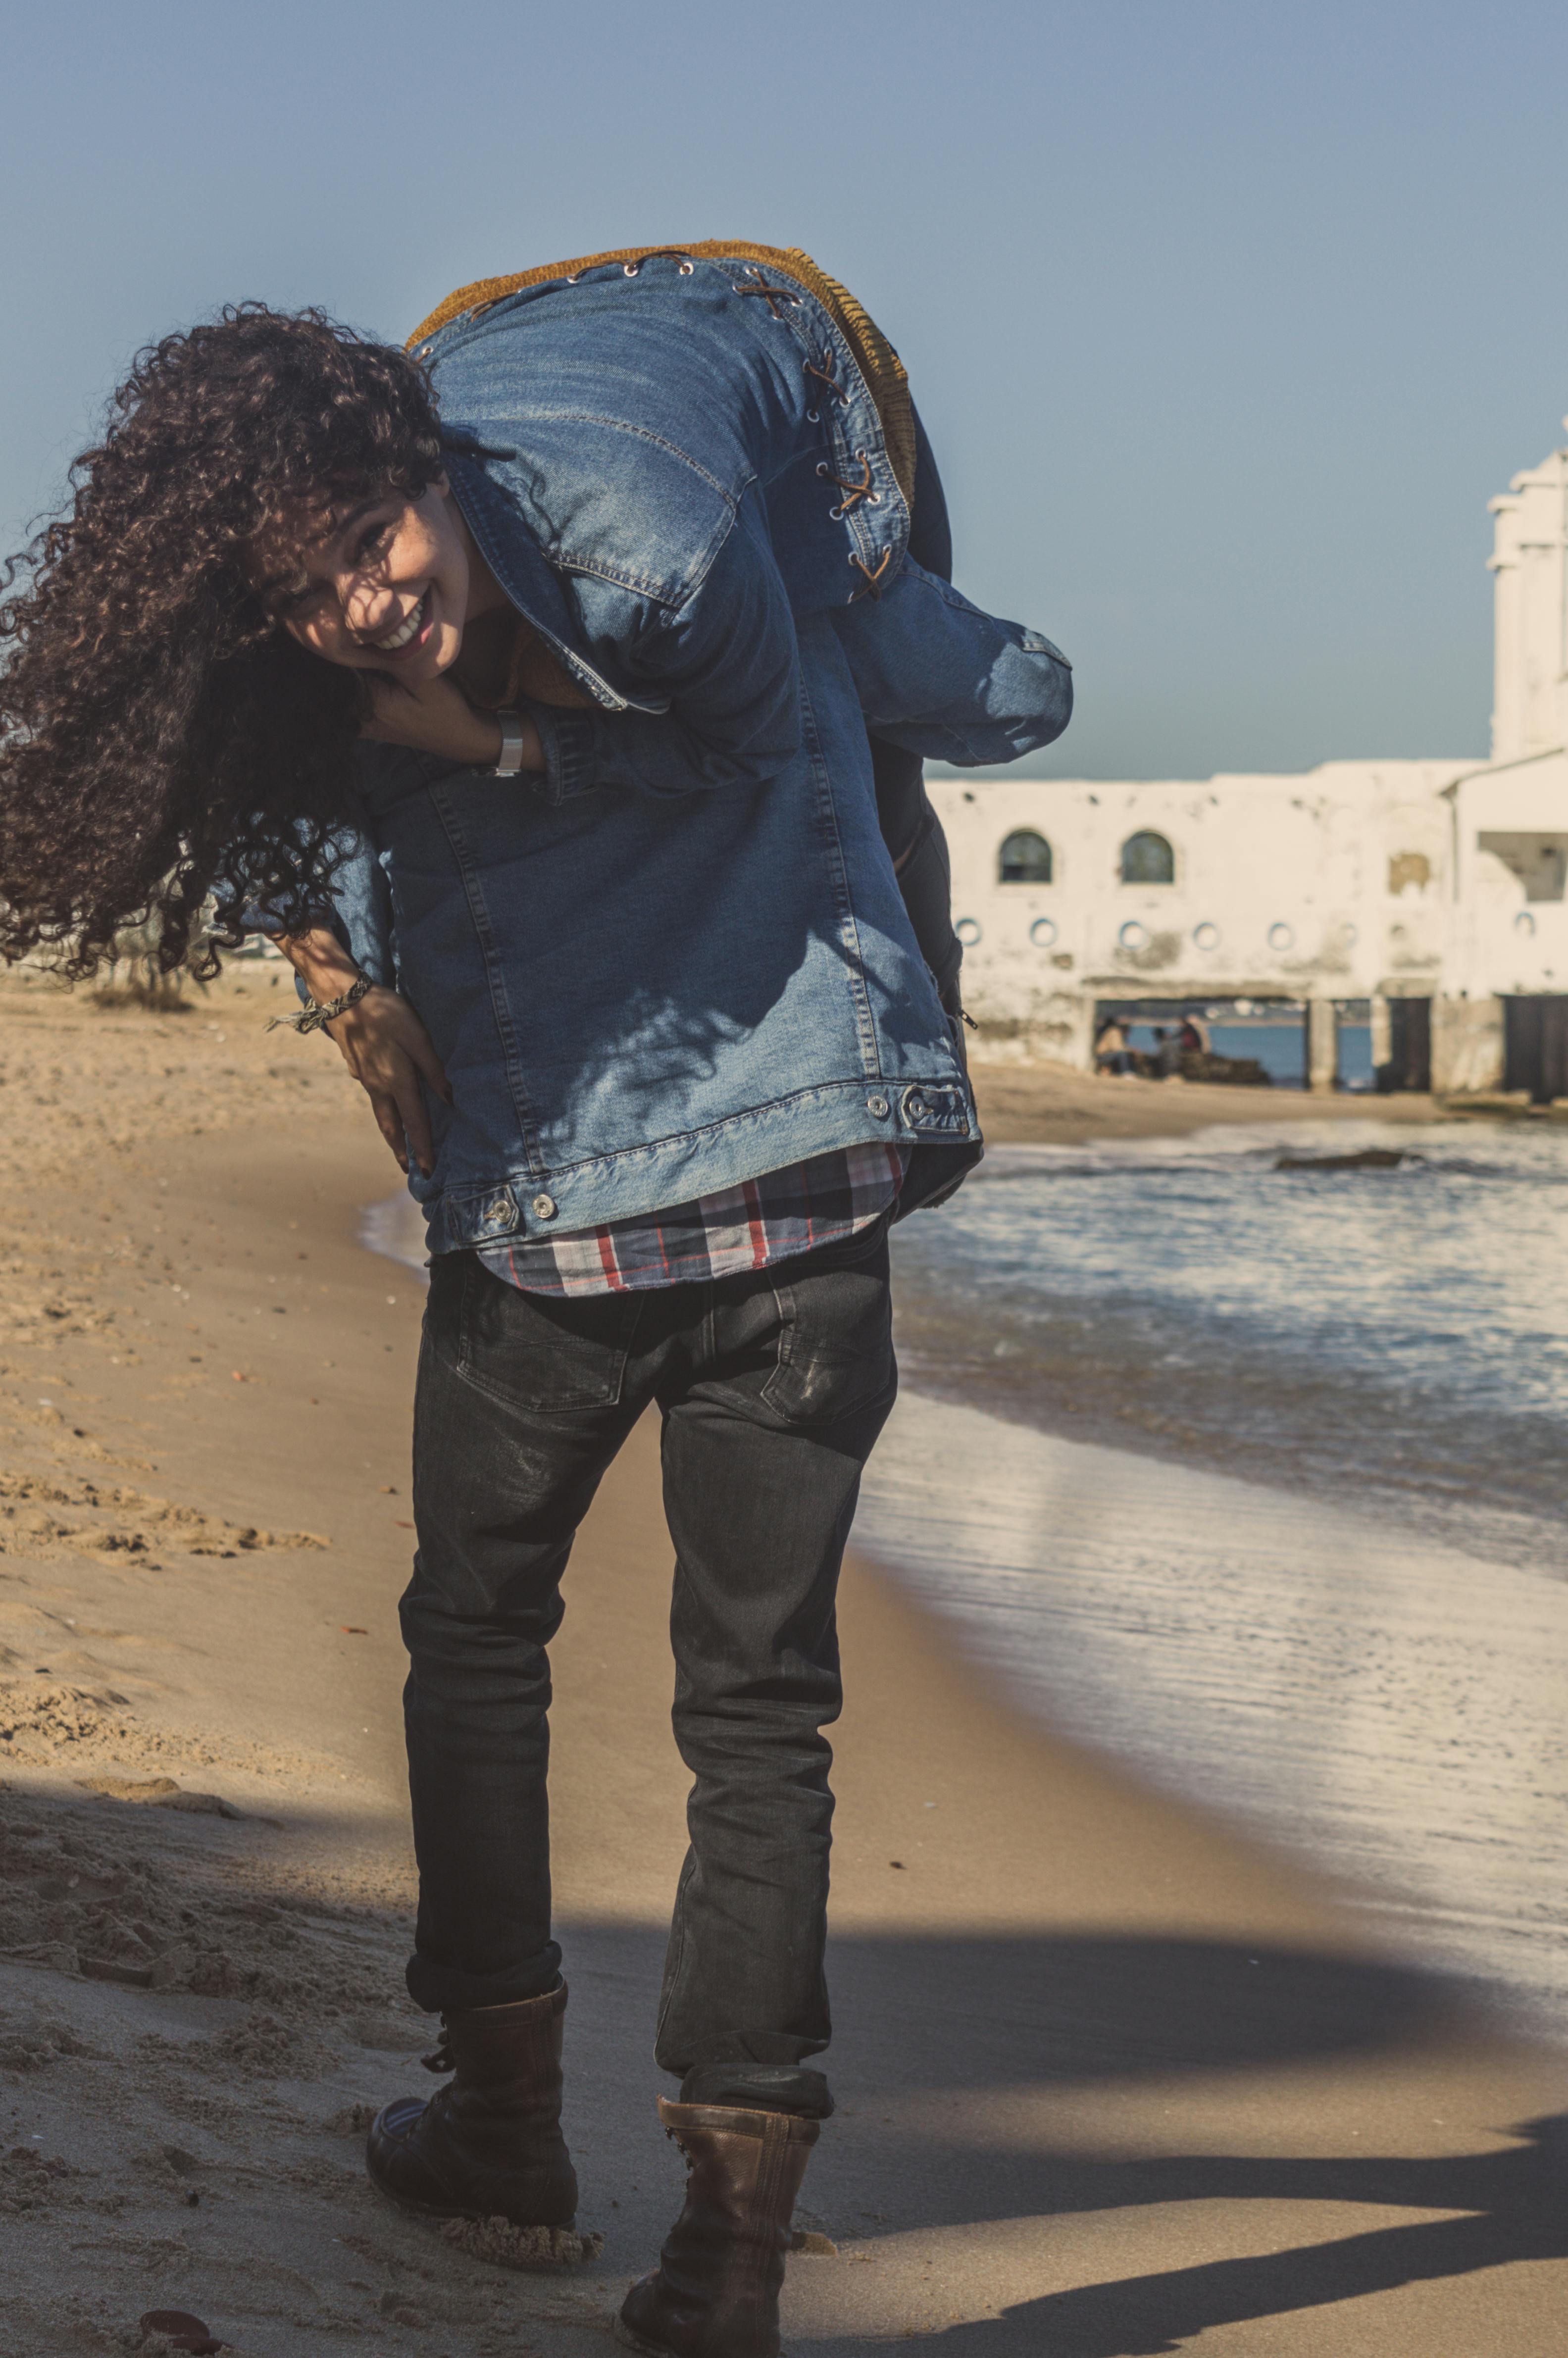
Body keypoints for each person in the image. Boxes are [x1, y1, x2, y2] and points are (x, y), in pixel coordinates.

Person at [0, 246, 1071, 2358]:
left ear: (431, 457)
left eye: (380, 544)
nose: (367, 604)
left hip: (587, 1229)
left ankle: (537, 2152)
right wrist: (329, 972)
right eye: (308, 593)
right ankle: (703, 2247)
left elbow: (775, 760)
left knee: (520, 1653)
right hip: (779, 1202)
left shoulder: (656, 556)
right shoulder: (330, 655)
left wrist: (487, 762)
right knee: (723, 1699)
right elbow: (257, 793)